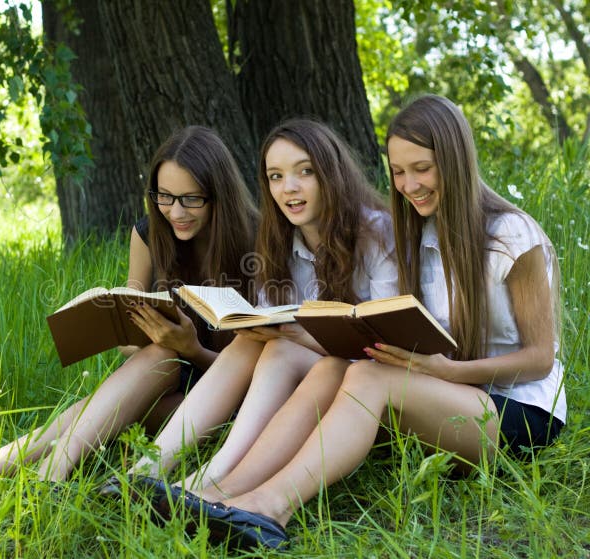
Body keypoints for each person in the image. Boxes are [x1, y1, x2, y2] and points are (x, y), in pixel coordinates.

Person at [180, 95, 567, 550]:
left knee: (367, 378)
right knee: (331, 368)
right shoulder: (414, 234)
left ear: (455, 160)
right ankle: (219, 493)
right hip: (446, 396)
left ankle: (269, 507)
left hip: (516, 413)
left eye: (421, 168)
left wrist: (450, 371)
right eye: (398, 172)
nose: (409, 185)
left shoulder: (510, 234)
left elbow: (541, 360)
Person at [0, 125, 259, 484]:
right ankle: (40, 468)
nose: (175, 212)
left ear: (218, 195)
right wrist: (125, 326)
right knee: (155, 361)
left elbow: (262, 371)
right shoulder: (149, 234)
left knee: (109, 405)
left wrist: (190, 349)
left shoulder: (257, 242)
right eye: (164, 197)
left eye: (191, 199)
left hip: (234, 398)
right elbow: (130, 347)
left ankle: (2, 466)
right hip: (167, 381)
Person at [127, 119, 397, 495]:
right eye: (275, 176)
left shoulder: (378, 234)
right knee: (255, 342)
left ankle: (210, 477)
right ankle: (150, 469)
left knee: (282, 347)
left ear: (331, 174)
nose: (289, 188)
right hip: (299, 378)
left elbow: (388, 343)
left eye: (305, 172)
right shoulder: (279, 239)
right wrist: (259, 327)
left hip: (362, 389)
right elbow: (272, 318)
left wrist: (298, 334)